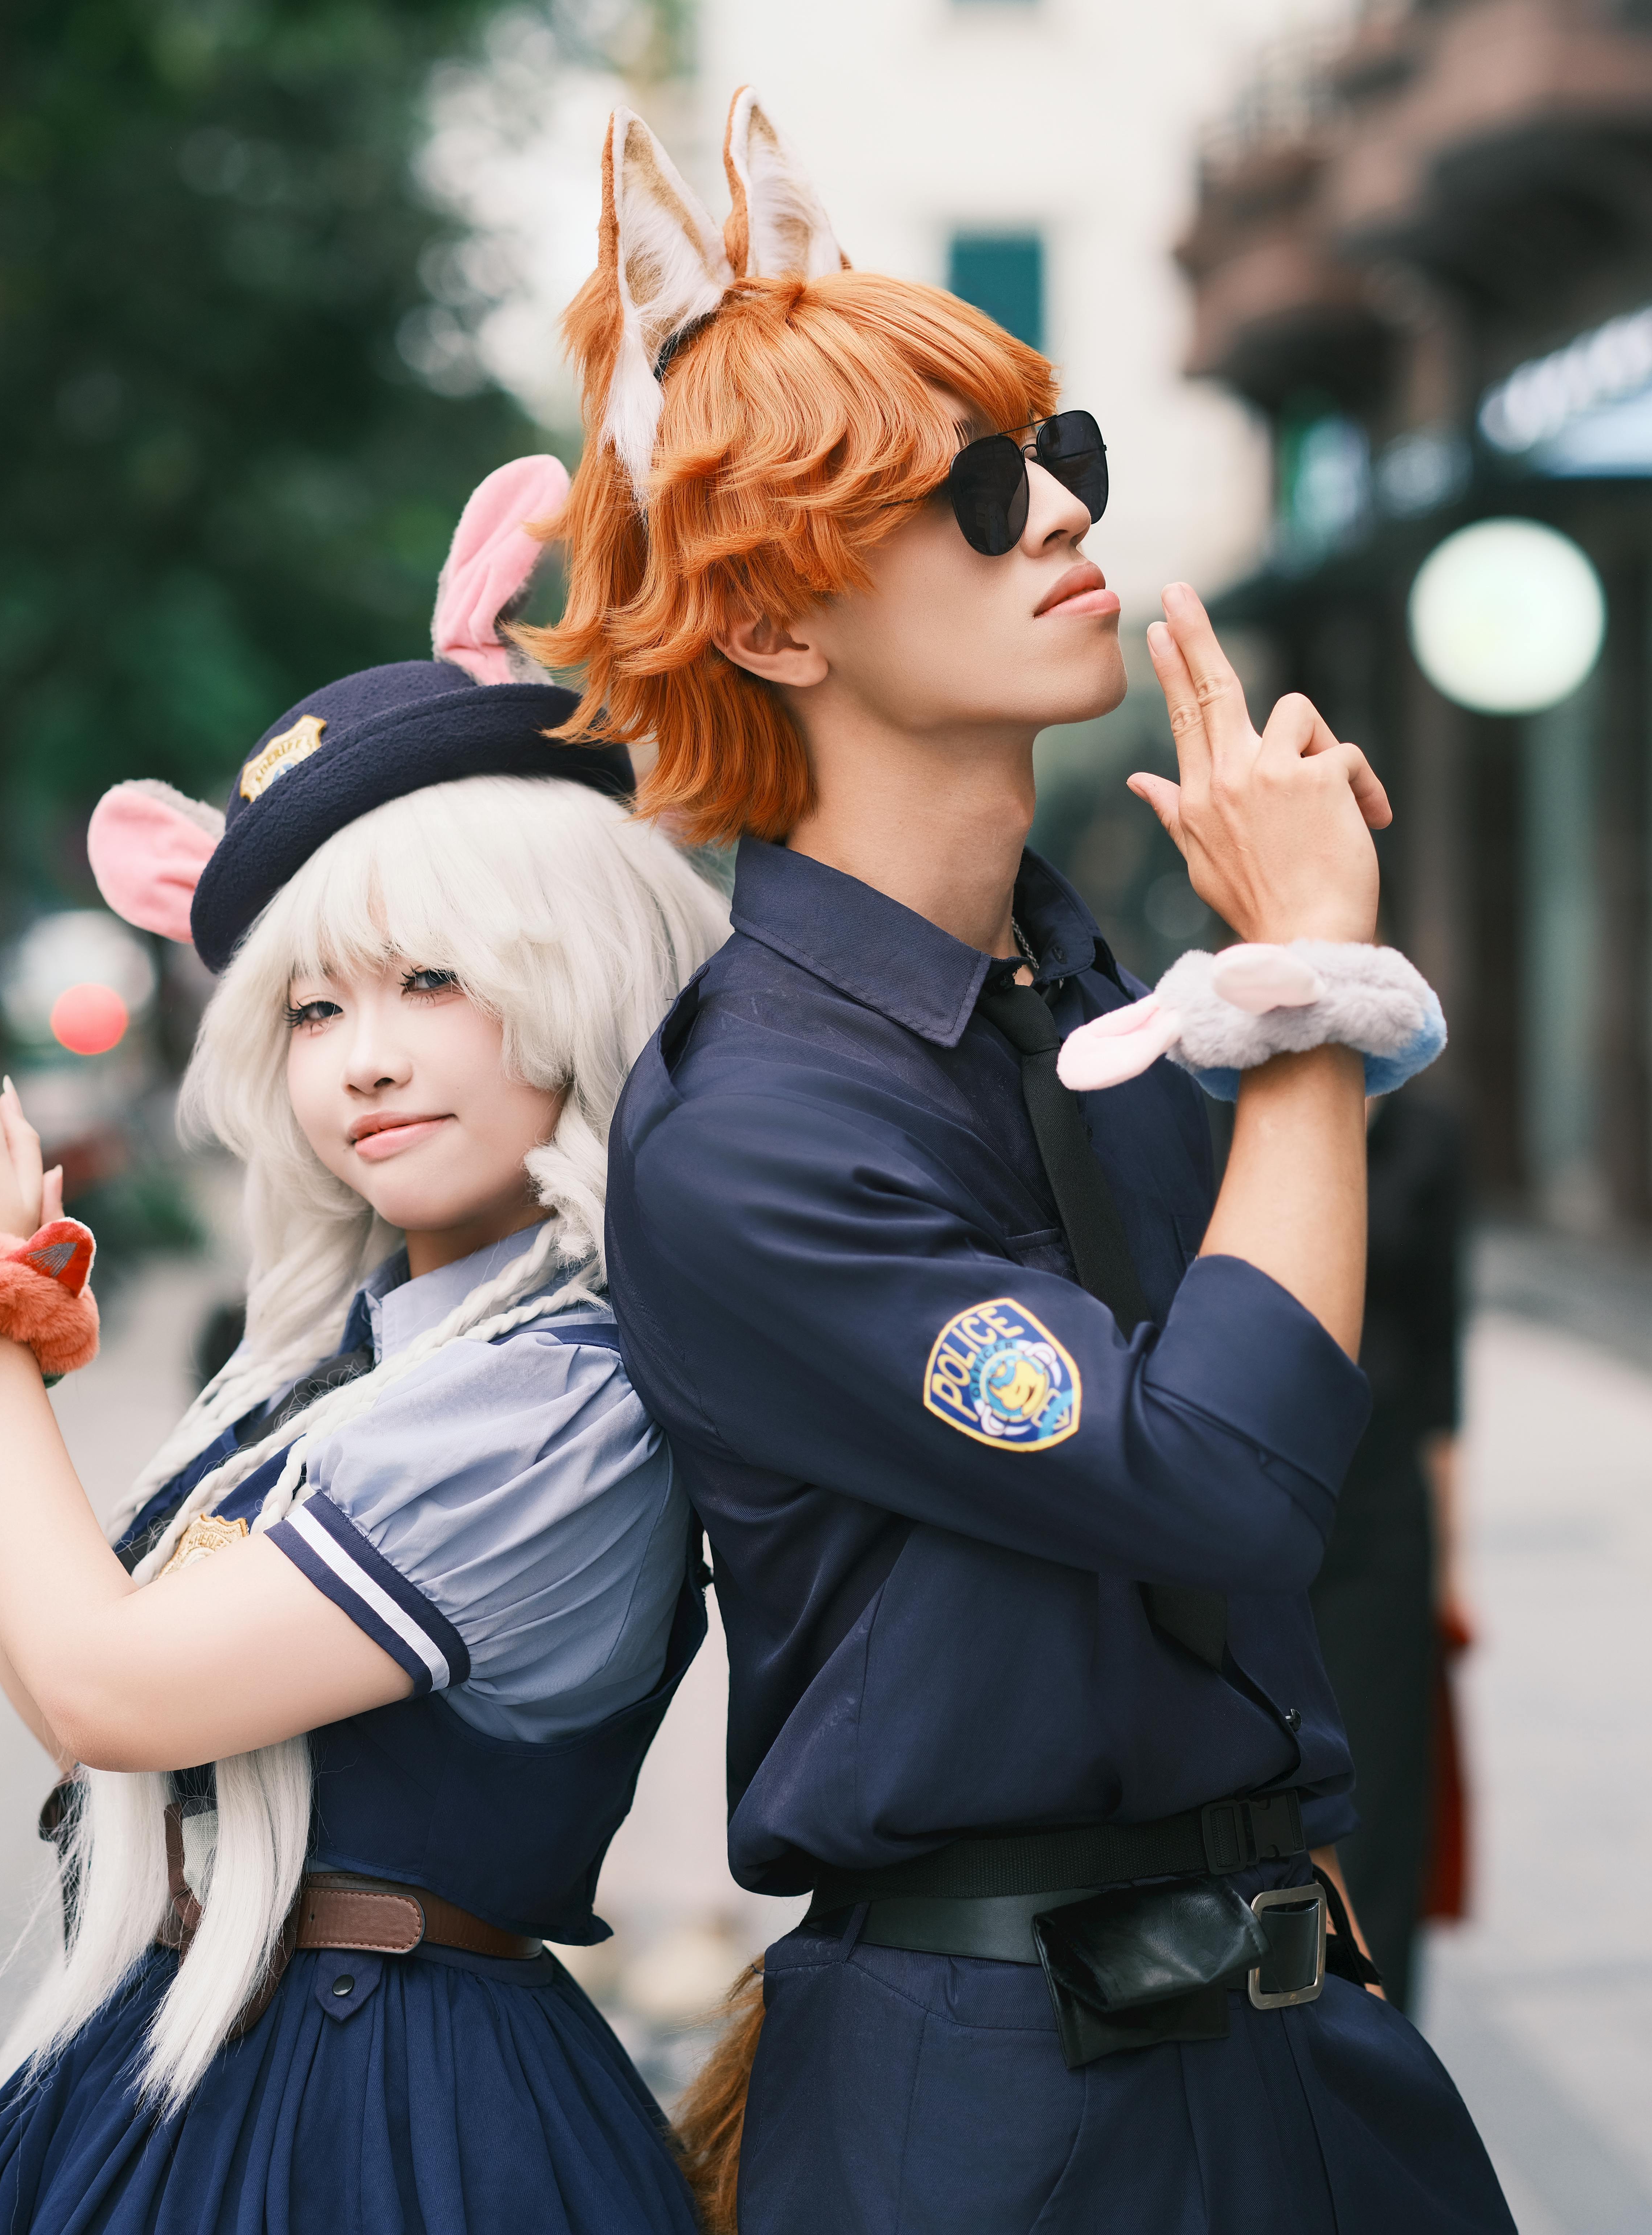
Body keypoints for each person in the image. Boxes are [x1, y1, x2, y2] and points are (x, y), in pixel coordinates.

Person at [539, 93, 1514, 2230]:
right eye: (973, 496)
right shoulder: (760, 1122)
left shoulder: (1088, 1006)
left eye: (1056, 456)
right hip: (993, 2098)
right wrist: (1311, 995)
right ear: (775, 623)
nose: (1059, 511)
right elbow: (1216, 1480)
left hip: (1293, 2043)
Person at [0, 459, 729, 2235]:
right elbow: (90, 1710)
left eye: (434, 980)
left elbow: (105, 1686)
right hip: (215, 2056)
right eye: (315, 1006)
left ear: (583, 971)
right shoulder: (361, 1354)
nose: (366, 1057)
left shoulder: (564, 1392)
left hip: (391, 2119)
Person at [1309, 1088, 1470, 2017]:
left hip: (1381, 1518)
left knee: (1380, 1804)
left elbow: (1443, 1362)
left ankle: (1379, 2040)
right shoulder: (1212, 1105)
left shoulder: (1424, 1133)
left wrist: (1451, 1567)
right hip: (1248, 1508)